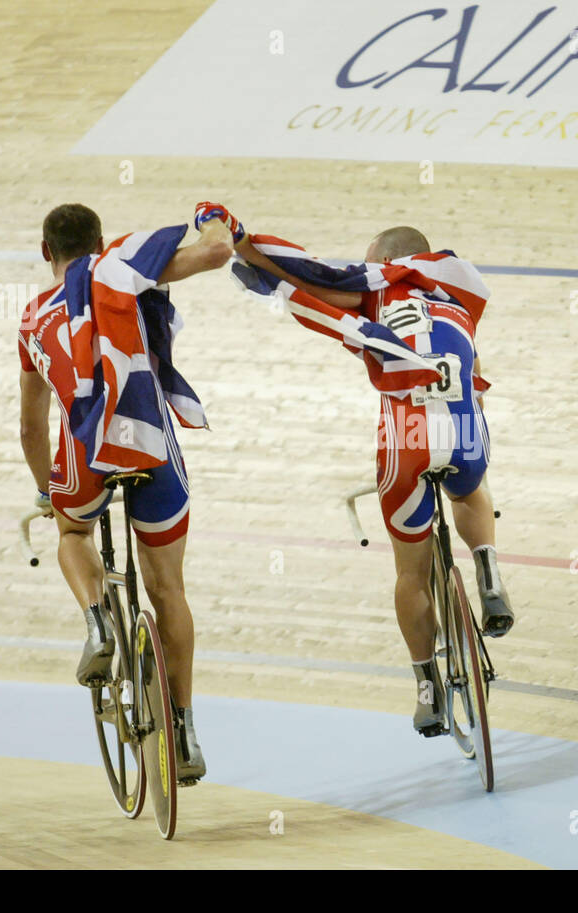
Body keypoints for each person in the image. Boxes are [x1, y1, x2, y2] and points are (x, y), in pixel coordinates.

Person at [207, 205, 514, 736]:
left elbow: (317, 285)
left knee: (409, 574)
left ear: (389, 261)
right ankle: (488, 574)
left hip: (407, 443)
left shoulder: (377, 293)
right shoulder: (457, 294)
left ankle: (426, 689)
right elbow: (472, 372)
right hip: (462, 431)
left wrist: (257, 263)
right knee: (469, 490)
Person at [17, 203, 233, 780]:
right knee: (168, 589)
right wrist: (215, 217)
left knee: (72, 531)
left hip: (84, 456)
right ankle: (183, 730)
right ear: (102, 243)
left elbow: (30, 427)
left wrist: (47, 493)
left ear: (46, 254)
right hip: (149, 444)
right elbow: (216, 252)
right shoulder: (120, 269)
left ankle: (97, 621)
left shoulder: (32, 320)